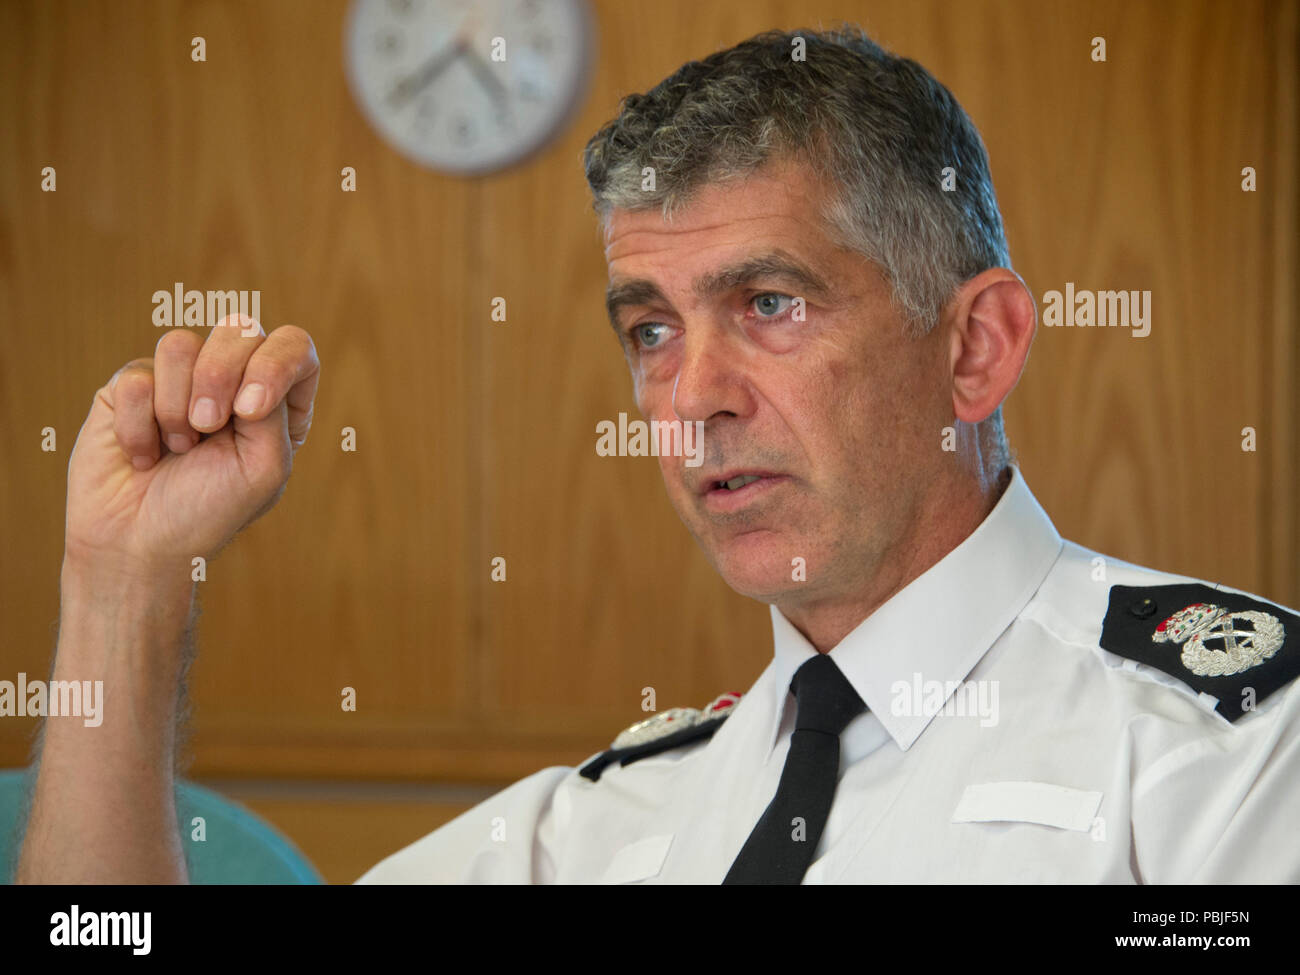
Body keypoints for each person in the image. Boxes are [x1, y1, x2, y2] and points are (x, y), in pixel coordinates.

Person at [16, 26, 1299, 885]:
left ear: (977, 347)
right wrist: (124, 586)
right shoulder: (593, 835)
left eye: (771, 305)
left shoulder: (1230, 751)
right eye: (649, 328)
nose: (690, 396)